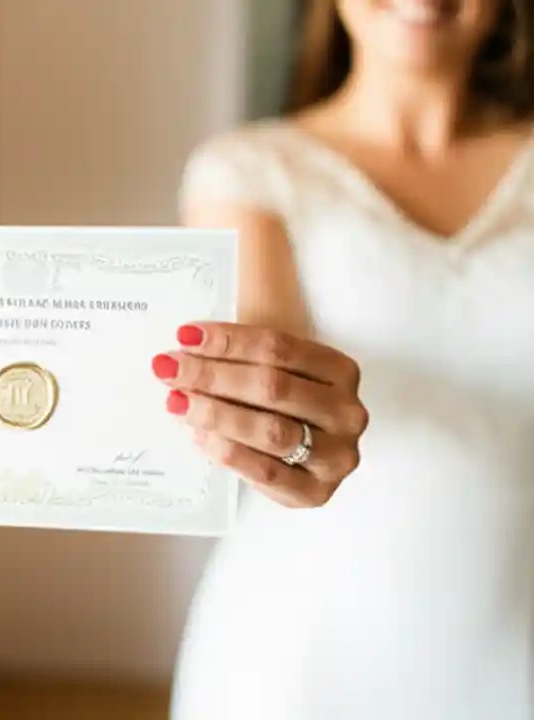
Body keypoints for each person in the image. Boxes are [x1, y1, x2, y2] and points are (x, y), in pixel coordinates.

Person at [160, 0, 534, 717]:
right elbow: (265, 327)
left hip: (514, 639)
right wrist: (275, 424)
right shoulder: (250, 168)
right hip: (303, 648)